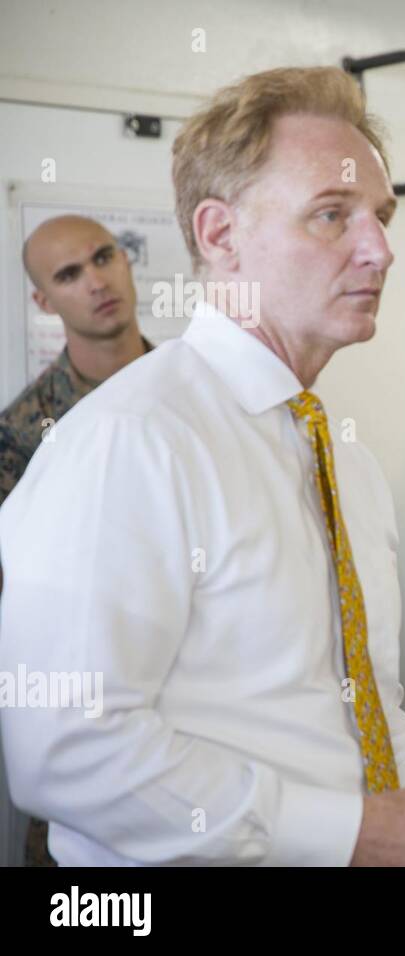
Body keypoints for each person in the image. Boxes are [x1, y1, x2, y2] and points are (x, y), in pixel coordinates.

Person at [0, 66, 405, 866]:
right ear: (219, 234)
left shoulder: (340, 457)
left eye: (379, 217)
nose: (380, 248)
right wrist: (347, 833)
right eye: (331, 216)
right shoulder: (127, 440)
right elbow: (66, 748)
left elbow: (352, 709)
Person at [0, 215, 152, 867]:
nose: (96, 281)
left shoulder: (206, 388)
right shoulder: (23, 435)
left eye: (103, 257)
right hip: (88, 723)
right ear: (44, 301)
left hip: (216, 703)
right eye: (69, 274)